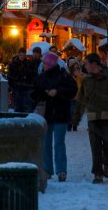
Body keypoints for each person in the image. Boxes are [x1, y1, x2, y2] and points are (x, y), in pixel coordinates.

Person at [74, 53, 108, 183]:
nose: (85, 66)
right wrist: (76, 118)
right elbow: (80, 100)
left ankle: (107, 163)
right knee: (95, 147)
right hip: (93, 118)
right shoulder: (86, 80)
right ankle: (97, 173)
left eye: (87, 63)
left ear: (94, 64)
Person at [32, 52, 77, 181]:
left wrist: (58, 92)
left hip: (60, 114)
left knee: (58, 143)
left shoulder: (64, 76)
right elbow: (33, 93)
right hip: (46, 115)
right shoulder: (41, 78)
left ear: (51, 64)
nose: (44, 65)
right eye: (43, 63)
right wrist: (45, 94)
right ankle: (47, 170)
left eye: (46, 63)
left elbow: (73, 91)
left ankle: (61, 170)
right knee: (46, 143)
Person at [7, 48, 34, 113]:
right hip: (16, 89)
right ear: (18, 54)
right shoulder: (13, 64)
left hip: (26, 89)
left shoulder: (28, 63)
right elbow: (10, 76)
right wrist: (12, 87)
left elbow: (31, 76)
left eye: (23, 55)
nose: (22, 57)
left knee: (25, 107)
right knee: (17, 107)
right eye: (21, 55)